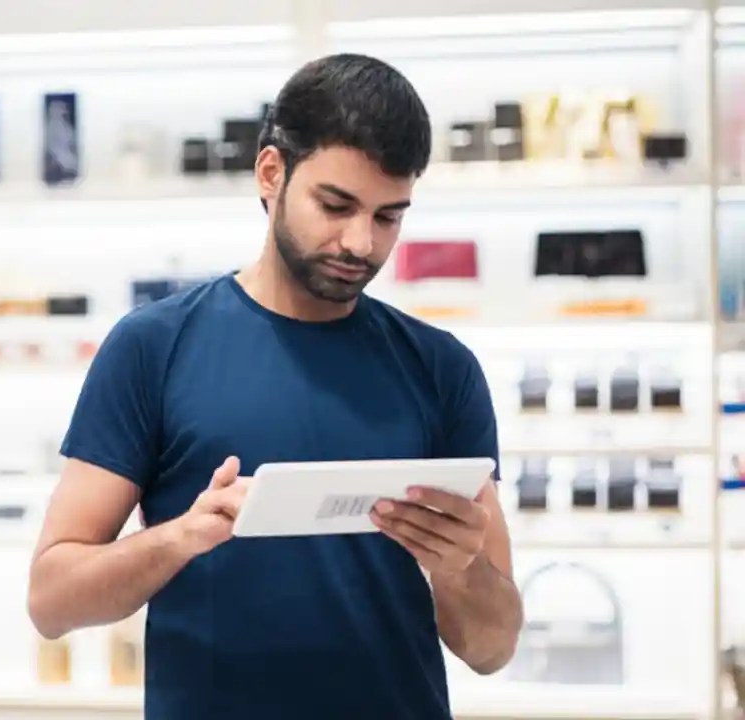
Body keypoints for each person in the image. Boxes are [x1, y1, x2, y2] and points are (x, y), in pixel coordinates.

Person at [26, 53, 523, 719]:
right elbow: (52, 600)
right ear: (271, 173)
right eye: (335, 205)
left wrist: (459, 567)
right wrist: (179, 538)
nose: (359, 242)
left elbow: (491, 649)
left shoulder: (441, 368)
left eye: (388, 217)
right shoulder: (153, 348)